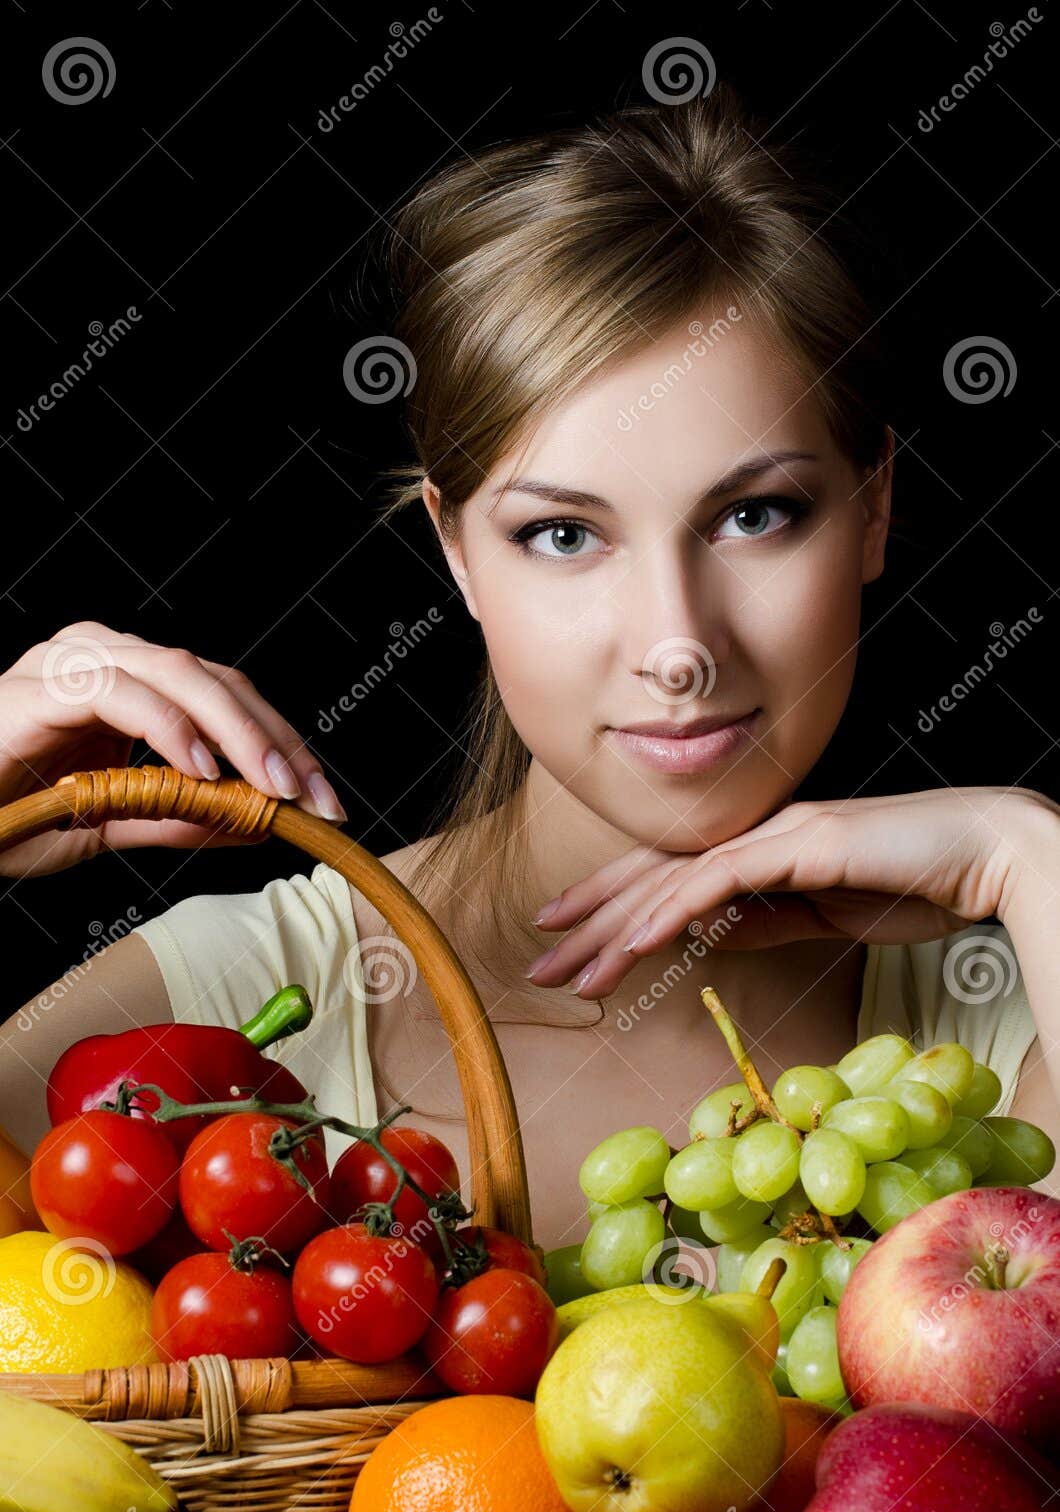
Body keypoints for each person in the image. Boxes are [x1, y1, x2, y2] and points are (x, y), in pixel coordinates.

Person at [0, 87, 1054, 1251]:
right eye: (564, 534)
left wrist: (1028, 850)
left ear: (873, 507)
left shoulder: (1010, 1025)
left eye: (756, 513)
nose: (678, 646)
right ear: (456, 549)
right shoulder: (235, 1004)